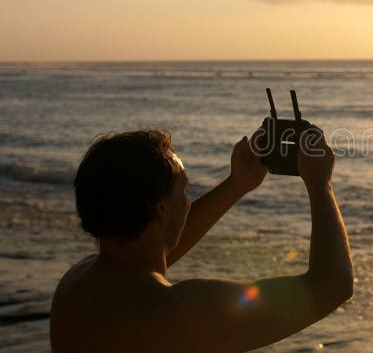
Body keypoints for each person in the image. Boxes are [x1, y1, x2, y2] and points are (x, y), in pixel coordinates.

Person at [50, 128, 353, 352]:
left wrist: (237, 185)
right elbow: (331, 286)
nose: (189, 200)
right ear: (161, 209)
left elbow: (155, 246)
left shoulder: (75, 284)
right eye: (184, 191)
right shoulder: (181, 311)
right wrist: (319, 184)